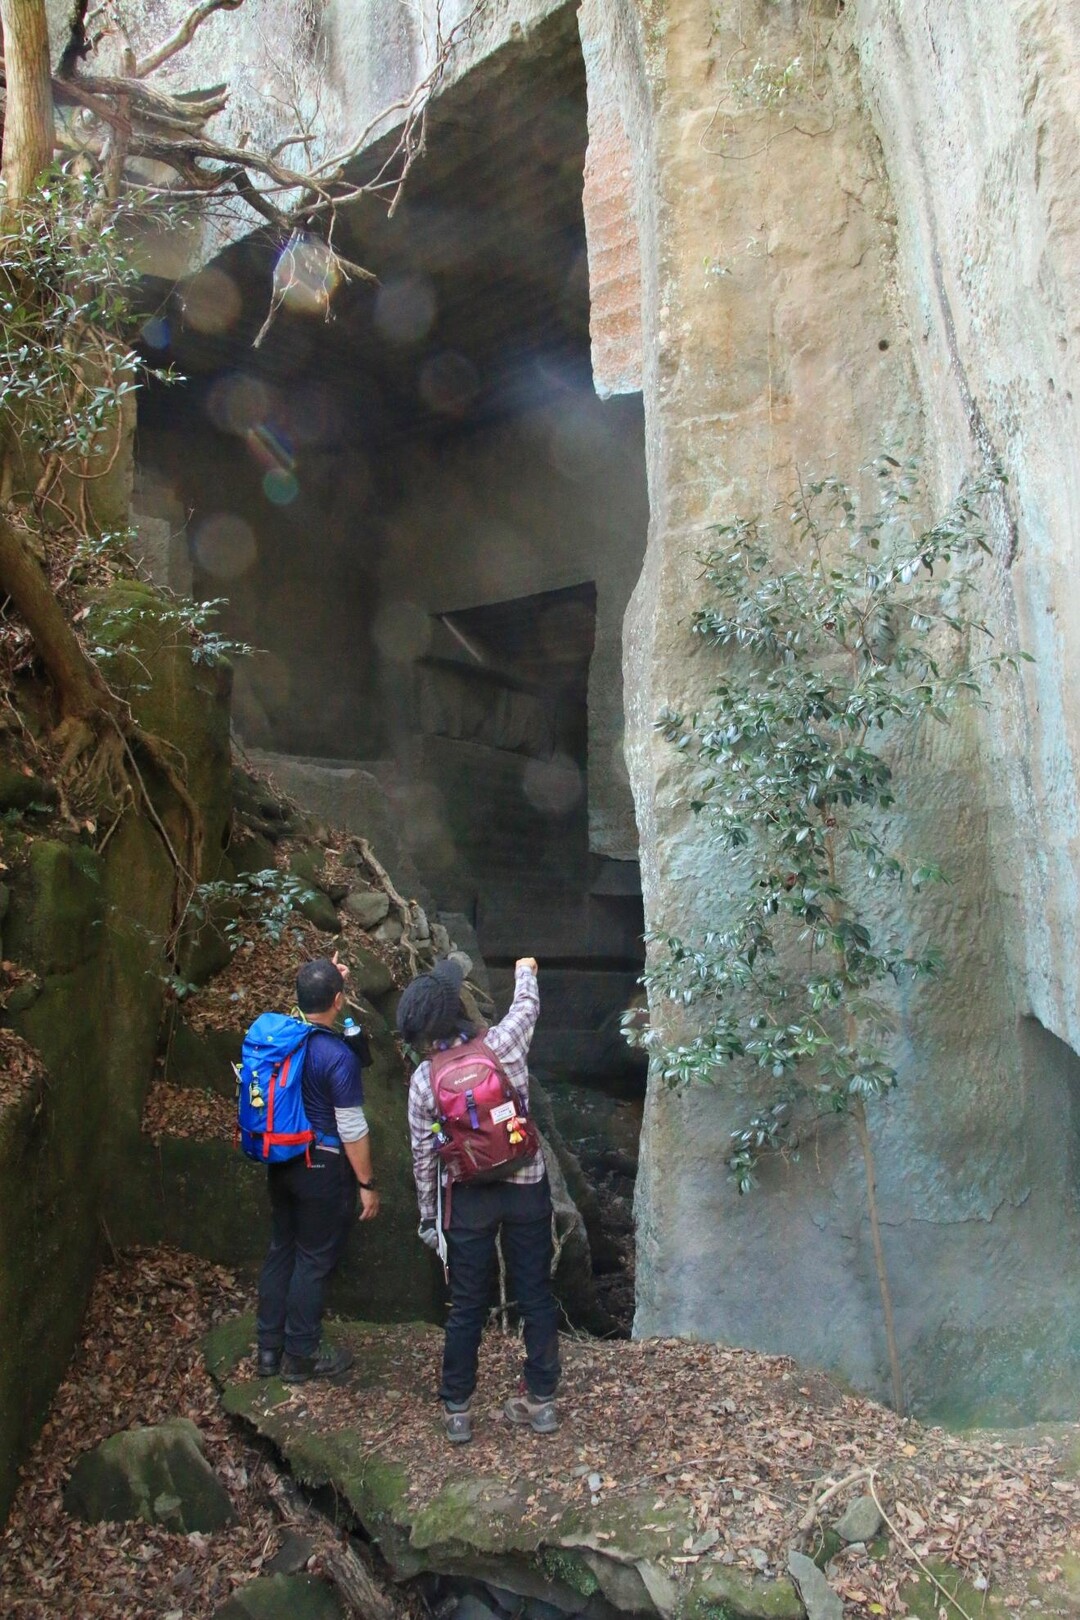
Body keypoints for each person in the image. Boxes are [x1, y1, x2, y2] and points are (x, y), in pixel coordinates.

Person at [400, 955, 560, 1443]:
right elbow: (526, 1007)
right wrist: (526, 970)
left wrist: (429, 1218)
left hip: (467, 1197)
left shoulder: (425, 1081)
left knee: (467, 1303)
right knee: (534, 1292)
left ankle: (458, 1409)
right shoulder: (503, 1045)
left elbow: (425, 1158)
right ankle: (542, 1401)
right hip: (526, 1184)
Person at [256, 954, 380, 1382]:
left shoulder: (283, 1040)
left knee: (281, 1250)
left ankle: (268, 1351)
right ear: (339, 1001)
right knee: (312, 1259)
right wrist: (366, 1183)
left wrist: (327, 981)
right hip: (321, 1166)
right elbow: (352, 1128)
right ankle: (302, 1355)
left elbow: (310, 1005)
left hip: (281, 1160)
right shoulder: (338, 1056)